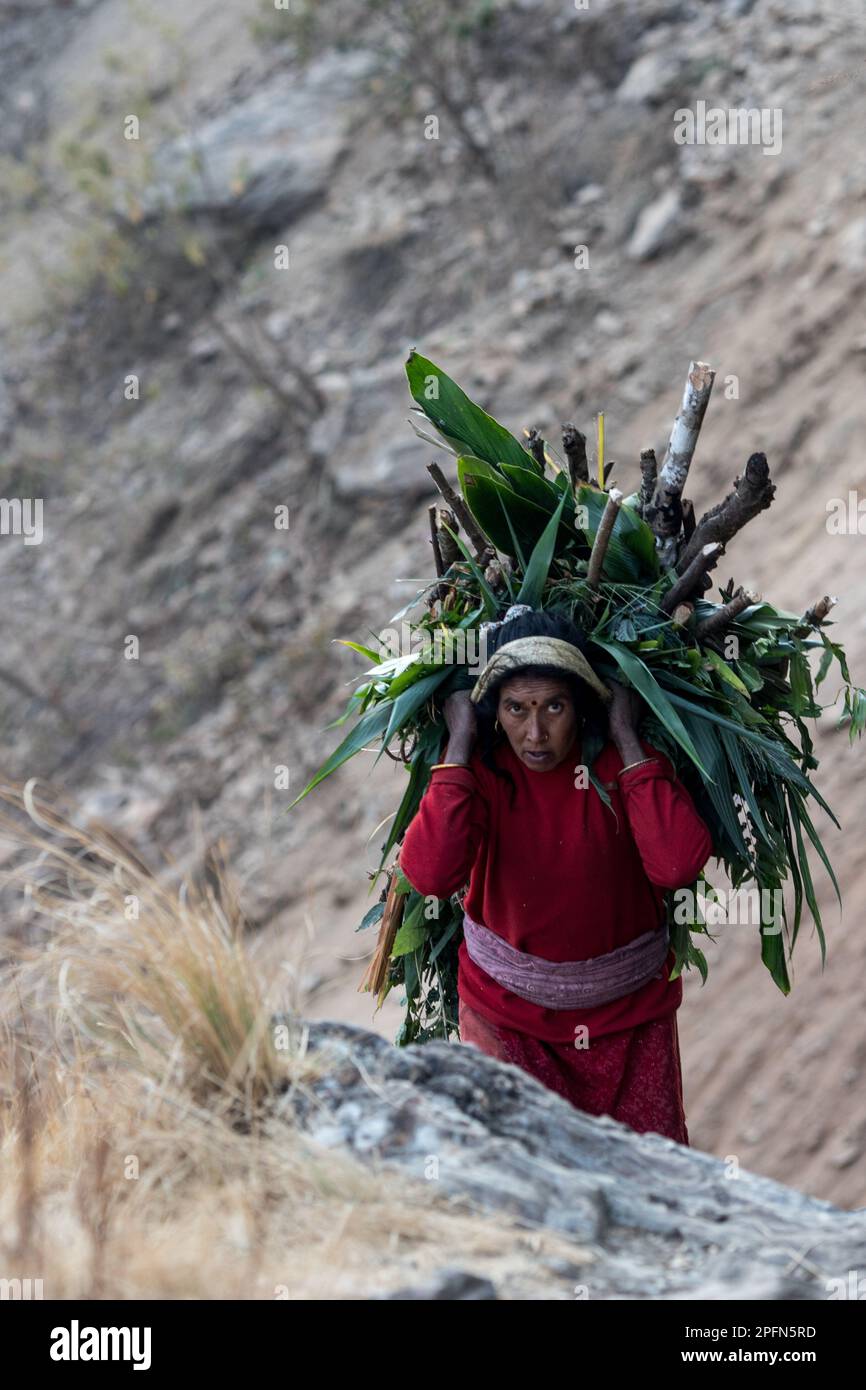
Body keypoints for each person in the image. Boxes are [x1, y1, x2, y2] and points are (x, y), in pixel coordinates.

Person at [398, 606, 714, 1144]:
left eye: (554, 707)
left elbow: (678, 865)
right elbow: (429, 874)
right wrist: (459, 743)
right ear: (492, 713)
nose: (536, 732)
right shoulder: (484, 778)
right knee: (519, 1187)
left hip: (629, 1025)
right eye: (516, 709)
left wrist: (629, 738)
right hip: (509, 1020)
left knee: (649, 1188)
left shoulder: (620, 769)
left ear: (583, 706)